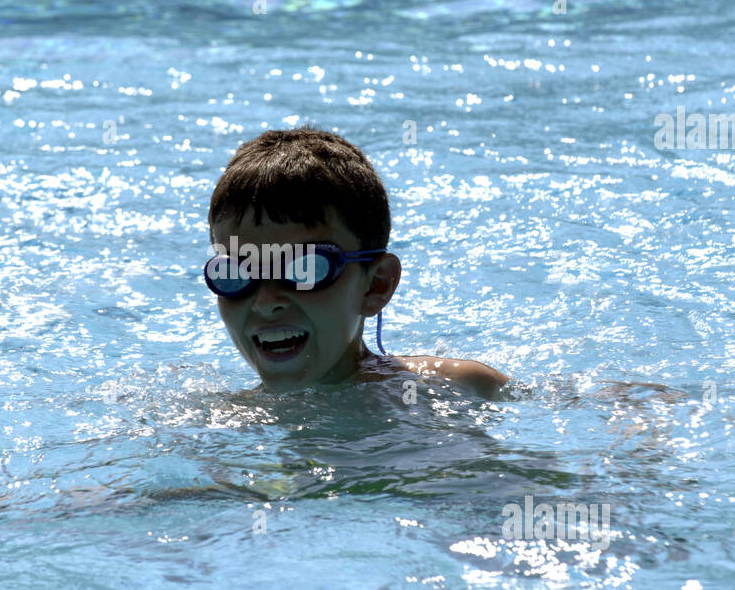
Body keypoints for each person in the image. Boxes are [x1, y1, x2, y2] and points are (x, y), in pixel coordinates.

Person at [204, 125, 508, 397]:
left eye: (305, 268)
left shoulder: (459, 389)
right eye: (236, 272)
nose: (265, 301)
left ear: (376, 285)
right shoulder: (217, 425)